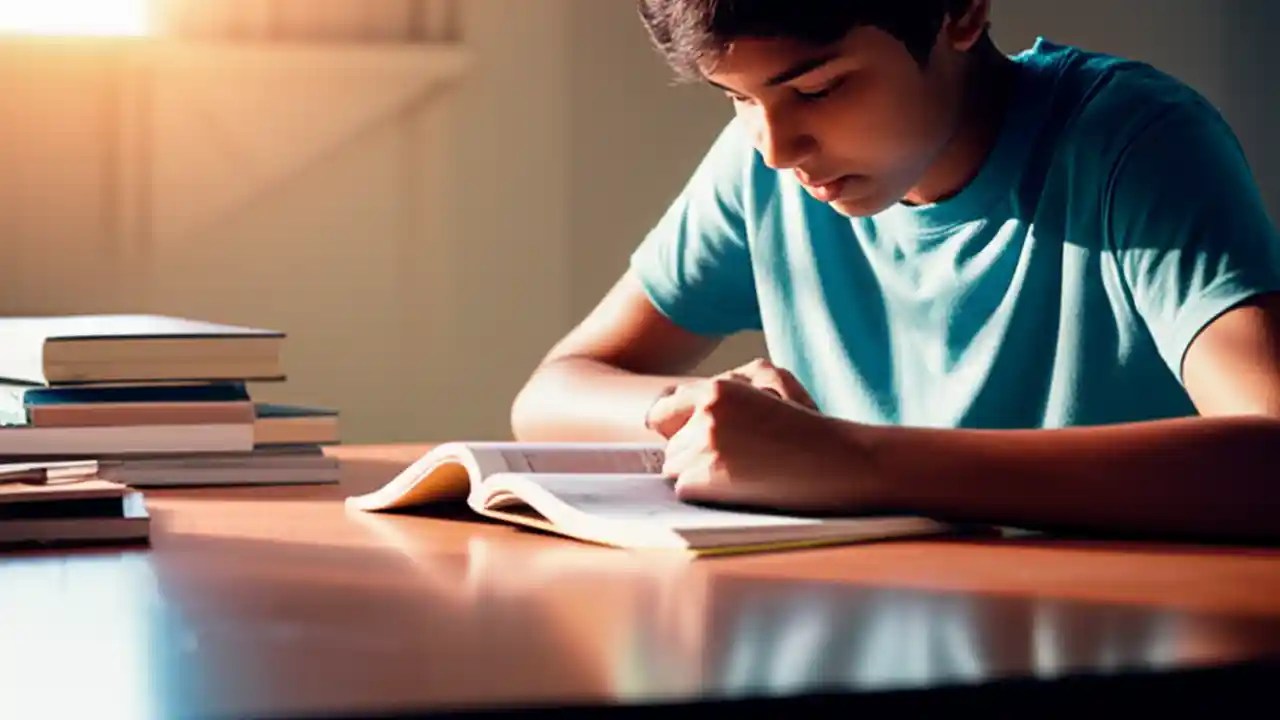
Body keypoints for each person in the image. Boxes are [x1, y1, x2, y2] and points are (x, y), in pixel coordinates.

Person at [511, 0, 1280, 541]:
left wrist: (850, 460)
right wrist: (699, 413)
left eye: (817, 88)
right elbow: (555, 389)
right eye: (736, 99)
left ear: (961, 11)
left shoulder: (1133, 146)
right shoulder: (763, 175)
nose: (776, 146)